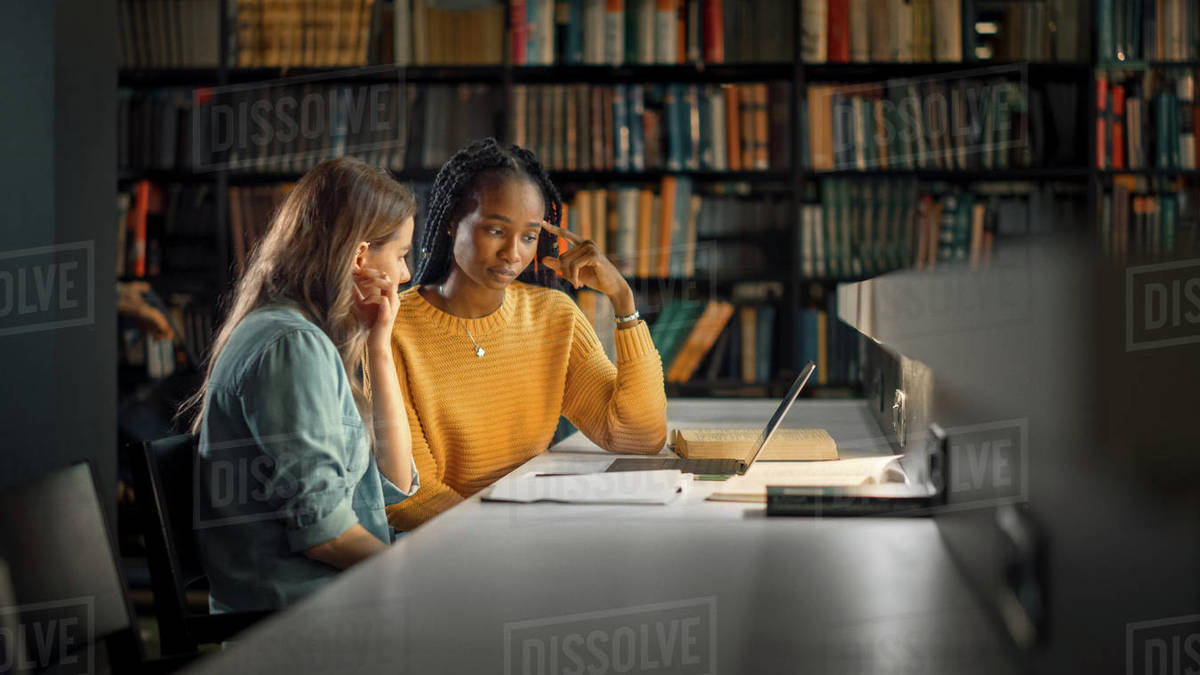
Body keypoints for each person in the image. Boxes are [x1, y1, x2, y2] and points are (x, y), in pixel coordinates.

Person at [385, 138, 667, 531]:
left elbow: (639, 436)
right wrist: (505, 537)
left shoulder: (554, 317)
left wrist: (623, 300)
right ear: (452, 222)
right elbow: (411, 498)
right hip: (449, 547)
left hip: (529, 532)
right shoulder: (393, 328)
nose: (513, 254)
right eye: (496, 230)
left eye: (529, 236)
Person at [183, 157, 420, 612]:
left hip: (336, 605)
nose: (406, 275)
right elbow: (326, 536)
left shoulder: (307, 340)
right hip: (304, 623)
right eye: (402, 255)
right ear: (359, 257)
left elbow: (392, 483)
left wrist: (379, 347)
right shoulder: (292, 347)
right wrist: (417, 579)